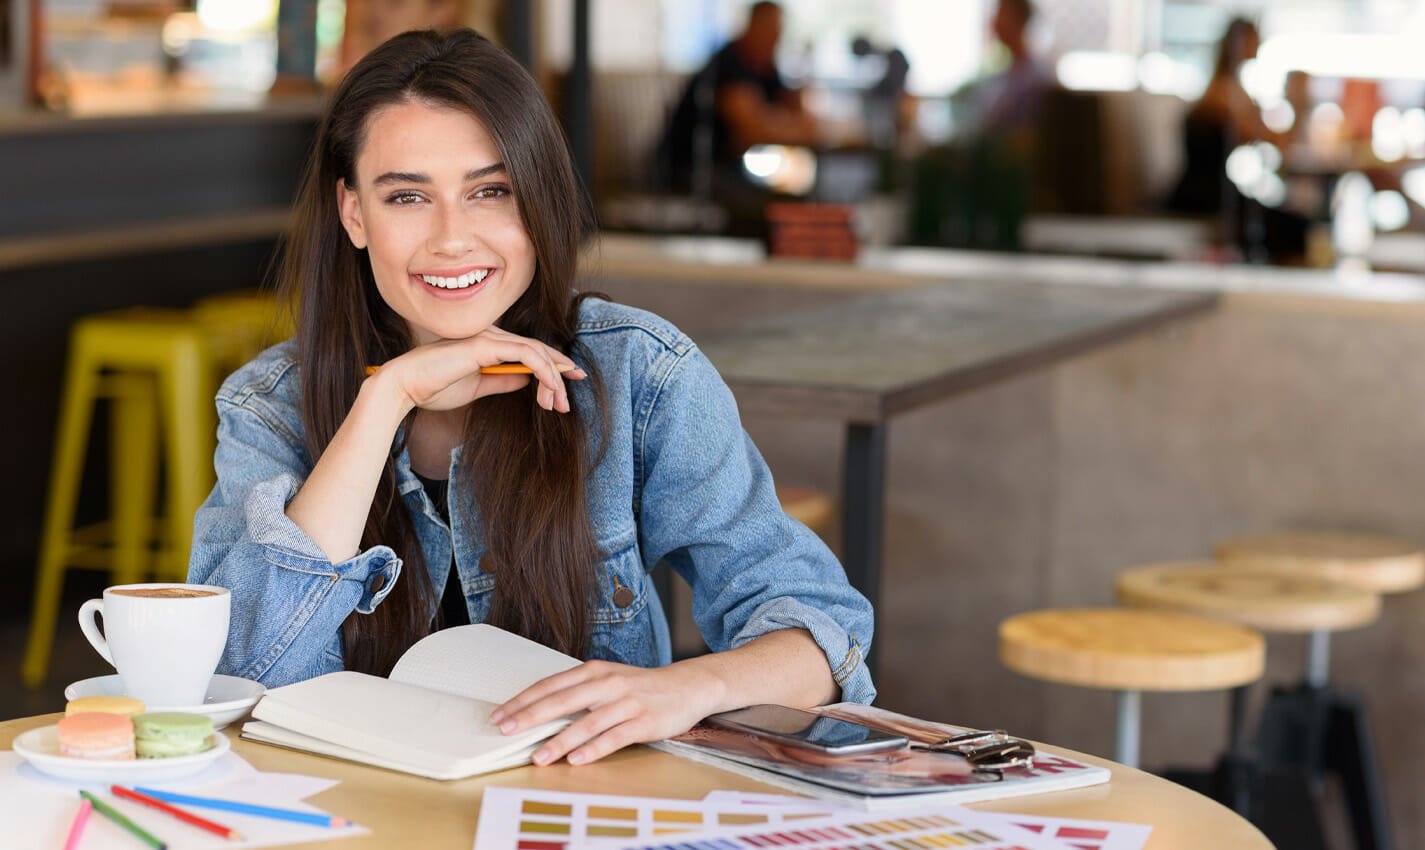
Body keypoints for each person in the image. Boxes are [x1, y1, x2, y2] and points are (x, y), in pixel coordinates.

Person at [188, 28, 874, 768]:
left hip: (577, 808)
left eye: (491, 191)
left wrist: (685, 687)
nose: (452, 239)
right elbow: (236, 676)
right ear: (354, 214)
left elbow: (822, 638)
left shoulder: (638, 373)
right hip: (351, 814)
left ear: (536, 198)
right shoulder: (270, 405)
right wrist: (386, 398)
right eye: (407, 196)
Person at [657, 1, 819, 232]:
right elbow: (750, 132)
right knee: (770, 208)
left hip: (732, 168)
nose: (776, 38)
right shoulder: (728, 63)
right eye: (771, 30)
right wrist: (794, 128)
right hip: (690, 169)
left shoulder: (764, 65)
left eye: (779, 31)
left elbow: (797, 115)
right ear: (751, 26)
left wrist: (797, 94)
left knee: (801, 195)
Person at [1166, 18, 1307, 263]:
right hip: (1201, 195)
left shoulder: (1231, 91)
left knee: (1290, 221)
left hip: (1216, 193)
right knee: (1292, 227)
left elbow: (1274, 142)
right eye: (1253, 41)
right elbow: (1266, 137)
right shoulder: (1222, 95)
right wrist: (1296, 98)